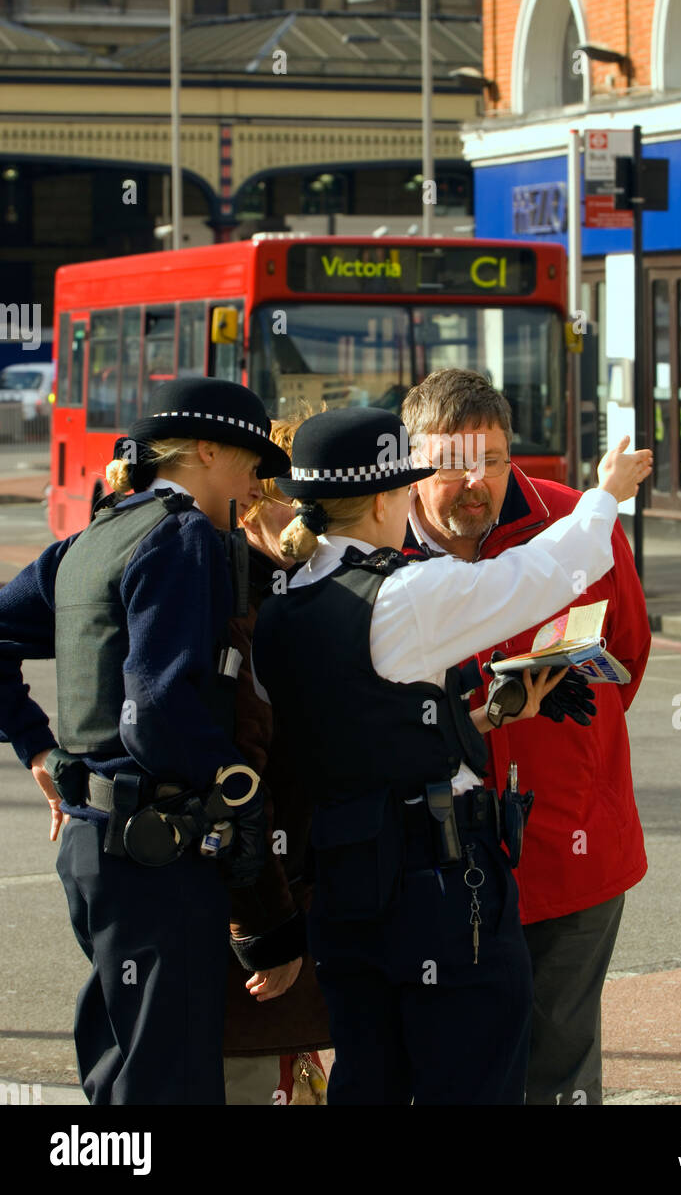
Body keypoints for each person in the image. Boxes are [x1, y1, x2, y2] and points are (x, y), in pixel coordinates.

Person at [251, 406, 651, 1105]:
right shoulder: (401, 595)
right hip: (438, 890)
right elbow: (544, 572)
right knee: (471, 1080)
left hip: (346, 884)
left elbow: (370, 722)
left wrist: (485, 711)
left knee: (371, 1079)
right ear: (385, 498)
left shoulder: (284, 606)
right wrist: (604, 495)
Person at [0, 376, 290, 1106]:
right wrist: (233, 782)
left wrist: (40, 748)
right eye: (248, 460)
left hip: (93, 845)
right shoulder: (185, 535)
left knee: (121, 1058)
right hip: (156, 851)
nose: (256, 481)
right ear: (201, 450)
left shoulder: (95, 536)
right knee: (167, 1078)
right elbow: (157, 701)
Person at [401, 368, 652, 1105]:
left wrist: (567, 760)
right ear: (413, 462)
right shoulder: (378, 553)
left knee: (558, 1073)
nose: (473, 483)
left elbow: (624, 662)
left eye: (491, 459)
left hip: (568, 850)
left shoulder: (578, 523)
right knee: (446, 1069)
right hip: (430, 863)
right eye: (450, 464)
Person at [222, 416, 332, 1106]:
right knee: (255, 1079)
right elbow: (238, 788)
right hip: (262, 906)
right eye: (291, 497)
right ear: (254, 502)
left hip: (305, 894)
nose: (307, 516)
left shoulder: (301, 587)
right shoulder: (239, 601)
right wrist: (265, 930)